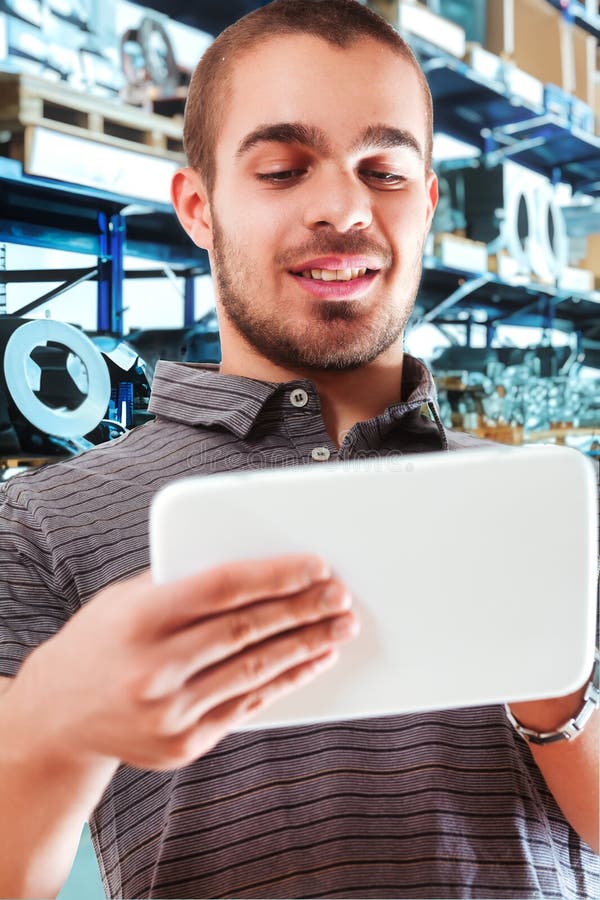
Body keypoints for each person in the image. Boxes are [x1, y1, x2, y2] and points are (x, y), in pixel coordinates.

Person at [0, 1, 598, 897]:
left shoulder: (544, 501)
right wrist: (51, 724)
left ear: (428, 202)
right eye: (283, 169)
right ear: (199, 207)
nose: (342, 207)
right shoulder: (42, 520)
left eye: (386, 171)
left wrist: (557, 694)